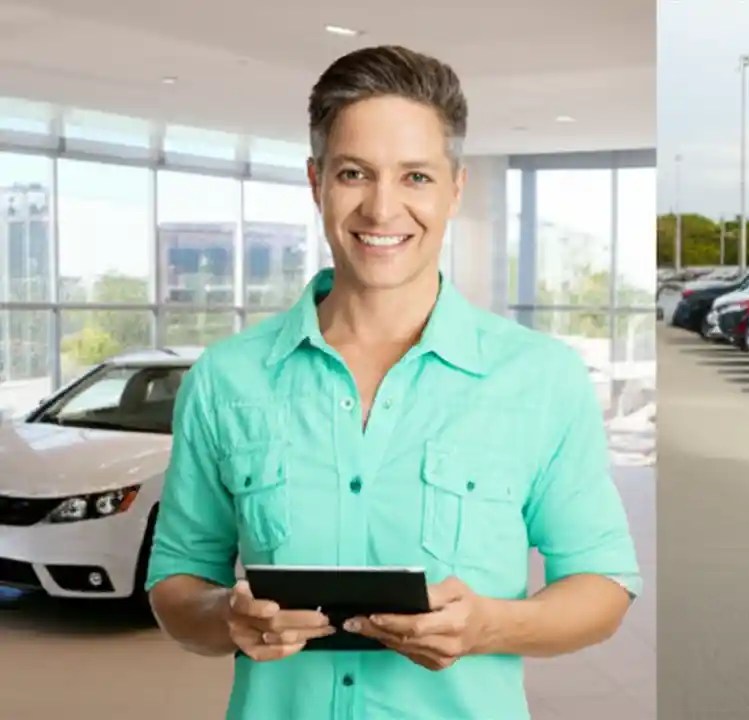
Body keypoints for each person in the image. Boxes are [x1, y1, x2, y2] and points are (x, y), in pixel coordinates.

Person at [145, 45, 640, 720]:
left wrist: (489, 625)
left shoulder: (540, 378)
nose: (382, 209)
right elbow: (176, 584)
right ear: (317, 181)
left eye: (415, 177)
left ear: (455, 188)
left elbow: (603, 586)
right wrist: (224, 615)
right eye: (355, 173)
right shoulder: (226, 378)